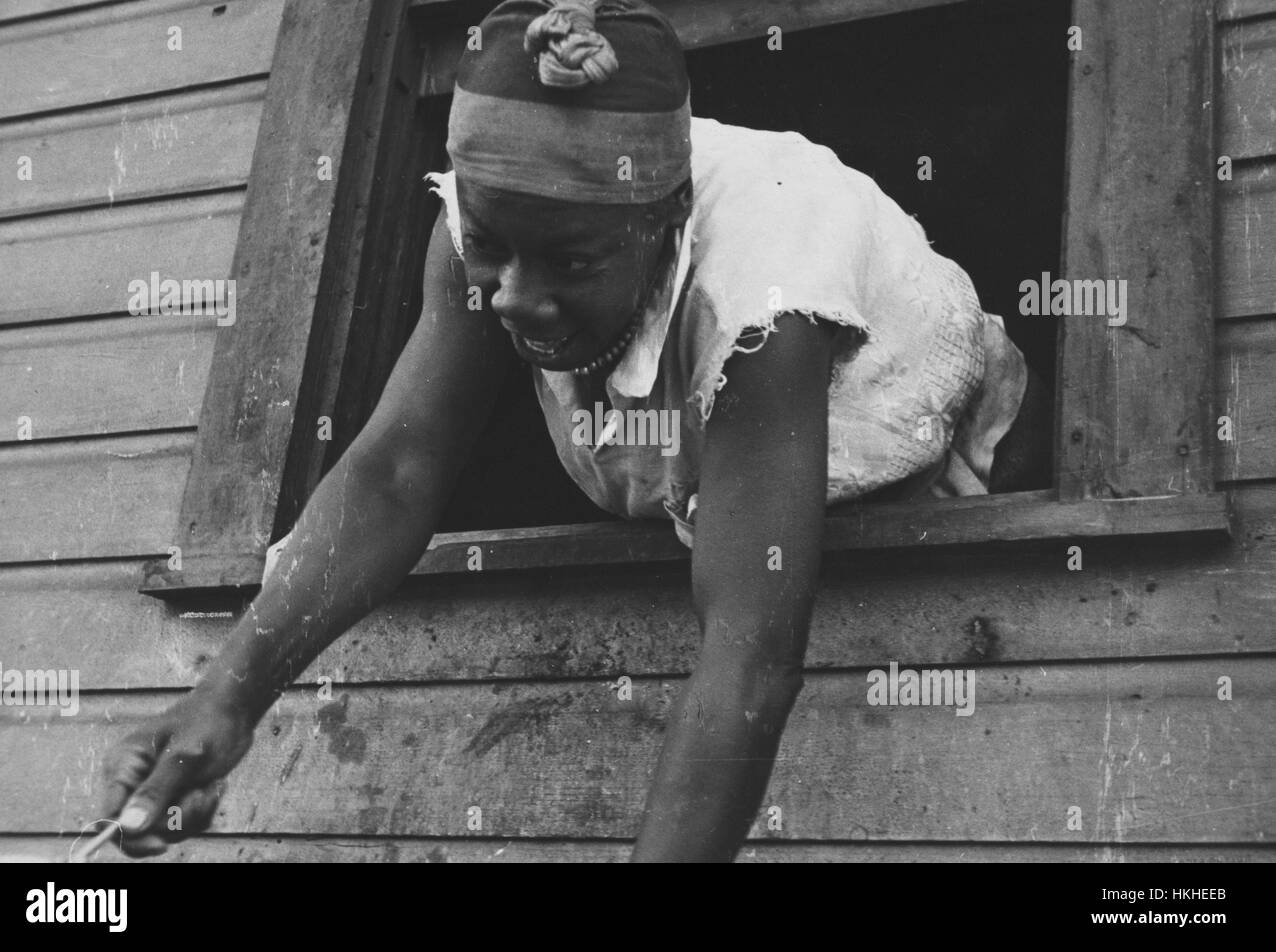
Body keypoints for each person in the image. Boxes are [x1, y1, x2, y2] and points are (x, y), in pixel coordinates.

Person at [99, 0, 1041, 863]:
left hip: (892, 418)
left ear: (667, 221)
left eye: (572, 260)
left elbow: (750, 660)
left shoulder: (770, 294)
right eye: (494, 249)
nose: (513, 295)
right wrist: (228, 696)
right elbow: (397, 466)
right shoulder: (489, 221)